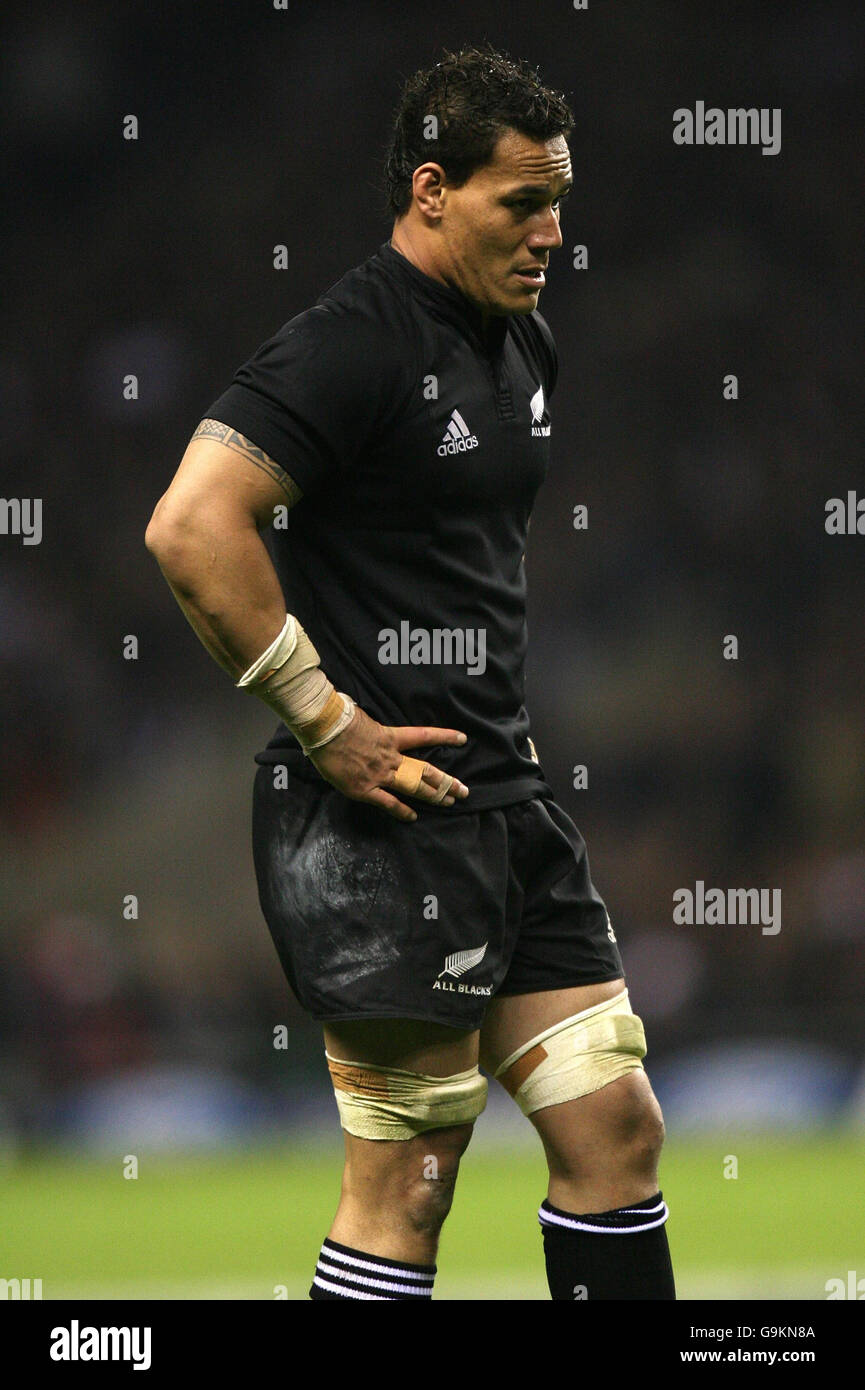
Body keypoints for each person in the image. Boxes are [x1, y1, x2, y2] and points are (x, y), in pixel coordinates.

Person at [145, 45, 675, 1302]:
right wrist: (326, 721)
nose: (551, 232)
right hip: (385, 820)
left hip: (503, 798)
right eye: (520, 203)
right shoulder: (348, 341)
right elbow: (191, 524)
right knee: (409, 1186)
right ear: (431, 190)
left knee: (617, 1133)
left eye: (559, 203)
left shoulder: (520, 341)